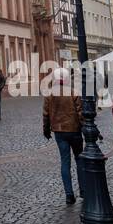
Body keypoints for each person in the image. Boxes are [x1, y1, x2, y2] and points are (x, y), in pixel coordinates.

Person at [43, 66, 84, 205]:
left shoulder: (50, 95)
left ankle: (69, 195)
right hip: (75, 131)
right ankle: (83, 190)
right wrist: (84, 127)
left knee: (65, 162)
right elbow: (80, 112)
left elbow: (46, 115)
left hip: (59, 132)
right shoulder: (73, 92)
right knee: (79, 160)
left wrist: (46, 130)